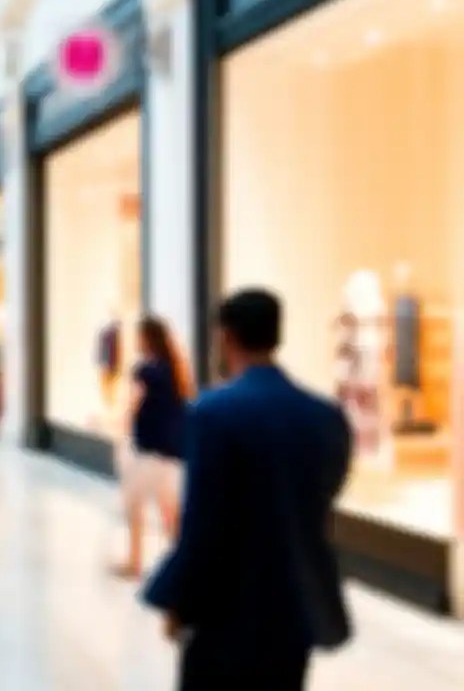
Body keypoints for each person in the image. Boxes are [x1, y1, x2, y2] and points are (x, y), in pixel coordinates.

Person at [143, 289, 352, 691]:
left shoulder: (213, 412)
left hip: (226, 613)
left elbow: (202, 524)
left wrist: (179, 602)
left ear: (226, 337)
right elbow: (326, 494)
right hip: (294, 607)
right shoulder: (325, 416)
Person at [113, 316, 193, 578]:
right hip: (173, 453)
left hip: (147, 452)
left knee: (135, 506)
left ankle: (134, 563)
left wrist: (121, 431)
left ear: (147, 338)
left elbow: (133, 404)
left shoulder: (145, 370)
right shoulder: (178, 369)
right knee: (170, 511)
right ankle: (182, 565)